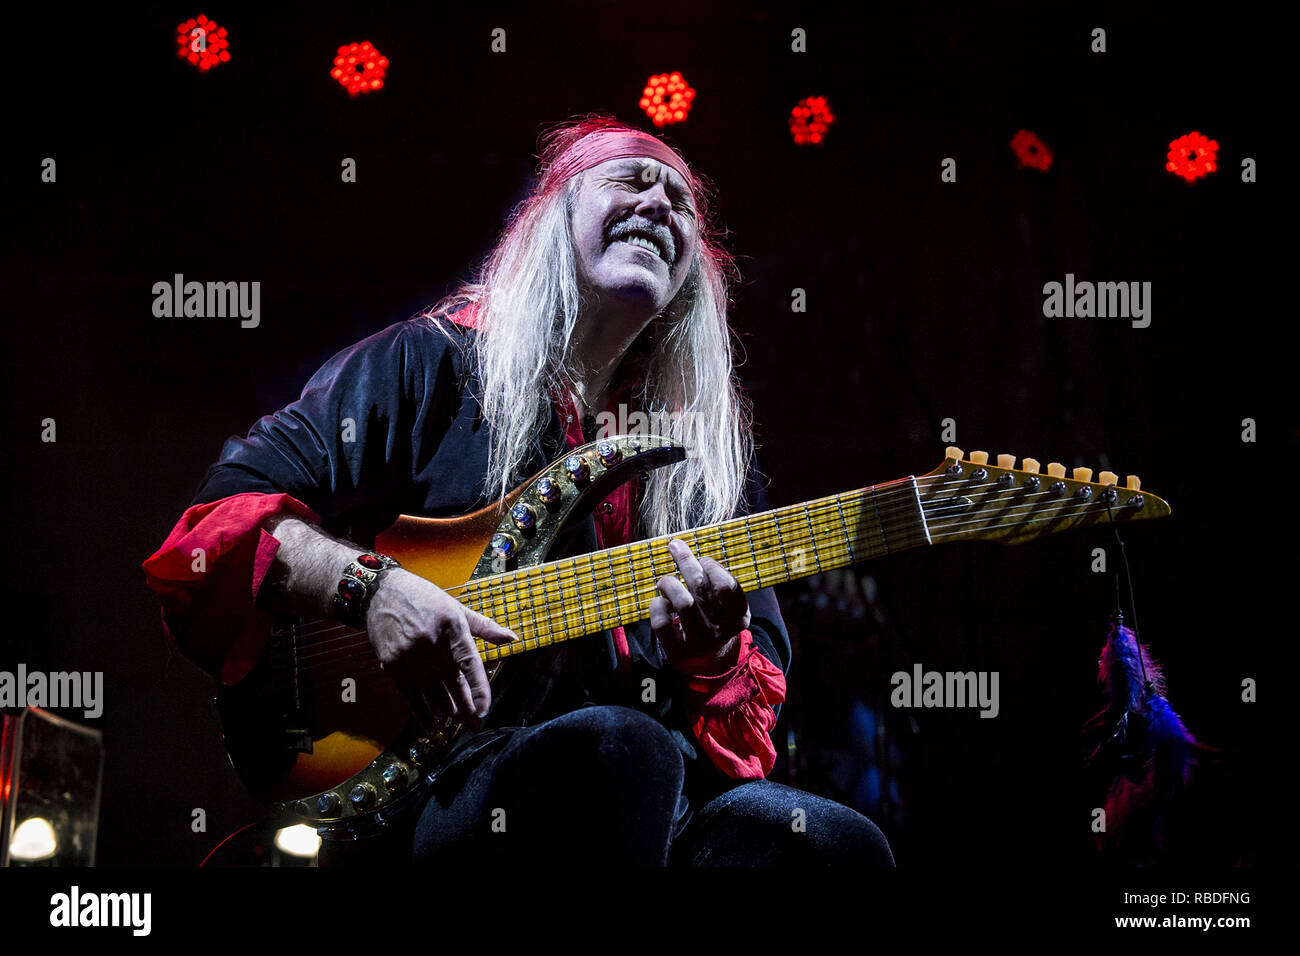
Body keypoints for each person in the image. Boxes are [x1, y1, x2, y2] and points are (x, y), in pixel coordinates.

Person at [143, 115, 895, 867]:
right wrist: (370, 591)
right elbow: (213, 529)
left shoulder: (705, 466)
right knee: (618, 750)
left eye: (681, 202)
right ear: (553, 218)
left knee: (835, 845)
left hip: (647, 791)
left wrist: (710, 654)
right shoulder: (425, 364)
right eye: (632, 180)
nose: (662, 204)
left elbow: (747, 725)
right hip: (426, 786)